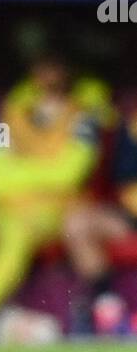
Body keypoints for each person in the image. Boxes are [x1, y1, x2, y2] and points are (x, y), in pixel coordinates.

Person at [0, 56, 102, 336]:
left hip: (53, 209)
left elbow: (70, 174)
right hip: (5, 206)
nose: (48, 75)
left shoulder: (83, 117)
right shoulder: (9, 119)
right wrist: (42, 172)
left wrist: (17, 170)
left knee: (17, 231)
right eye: (42, 69)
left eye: (54, 68)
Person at [63, 109, 137, 335]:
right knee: (78, 223)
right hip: (131, 214)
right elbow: (124, 177)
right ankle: (106, 305)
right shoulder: (134, 125)